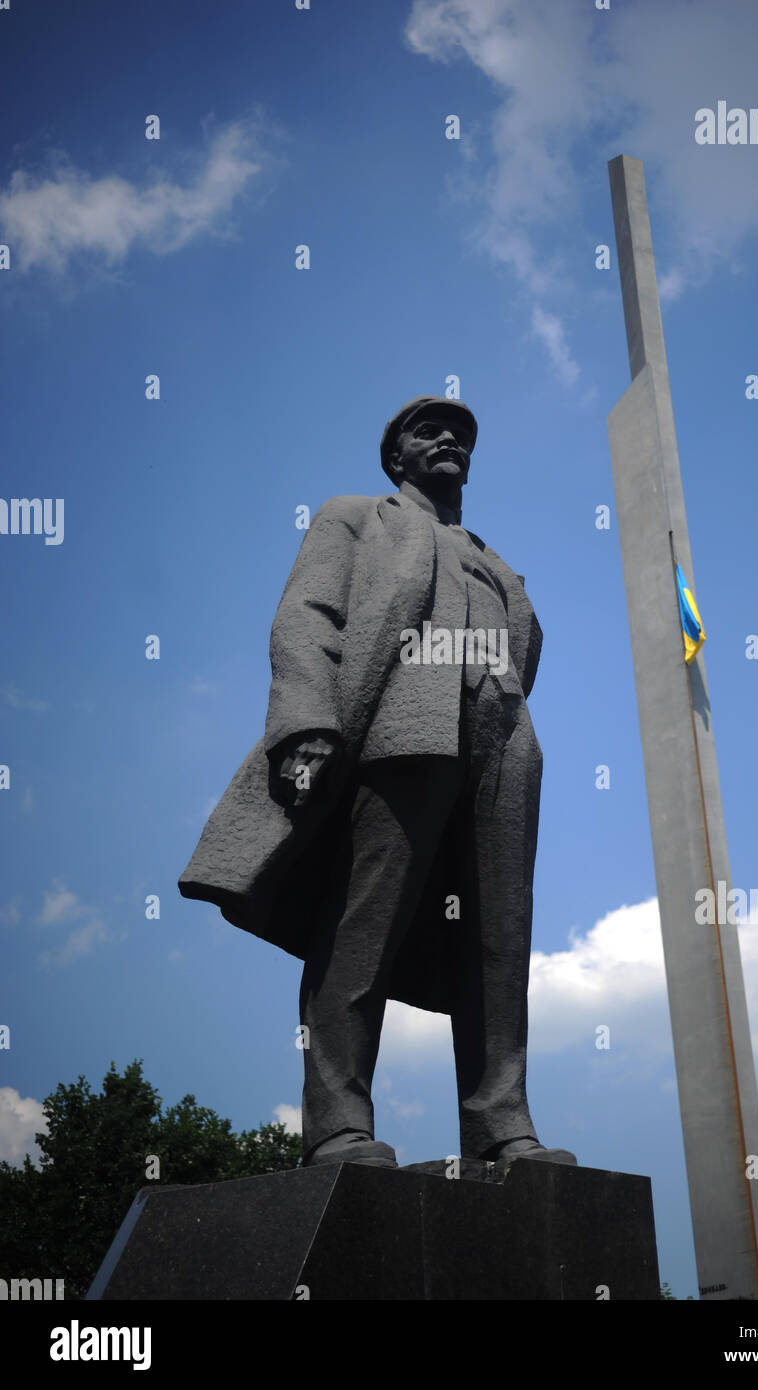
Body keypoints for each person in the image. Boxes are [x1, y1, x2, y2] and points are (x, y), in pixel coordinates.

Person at [179, 396, 576, 1174]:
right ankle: (337, 1125)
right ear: (396, 456)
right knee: (364, 923)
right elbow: (306, 617)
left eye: (460, 436)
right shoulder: (355, 517)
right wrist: (303, 727)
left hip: (502, 738)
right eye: (428, 432)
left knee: (499, 940)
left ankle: (500, 1122)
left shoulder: (493, 558)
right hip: (404, 725)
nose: (447, 442)